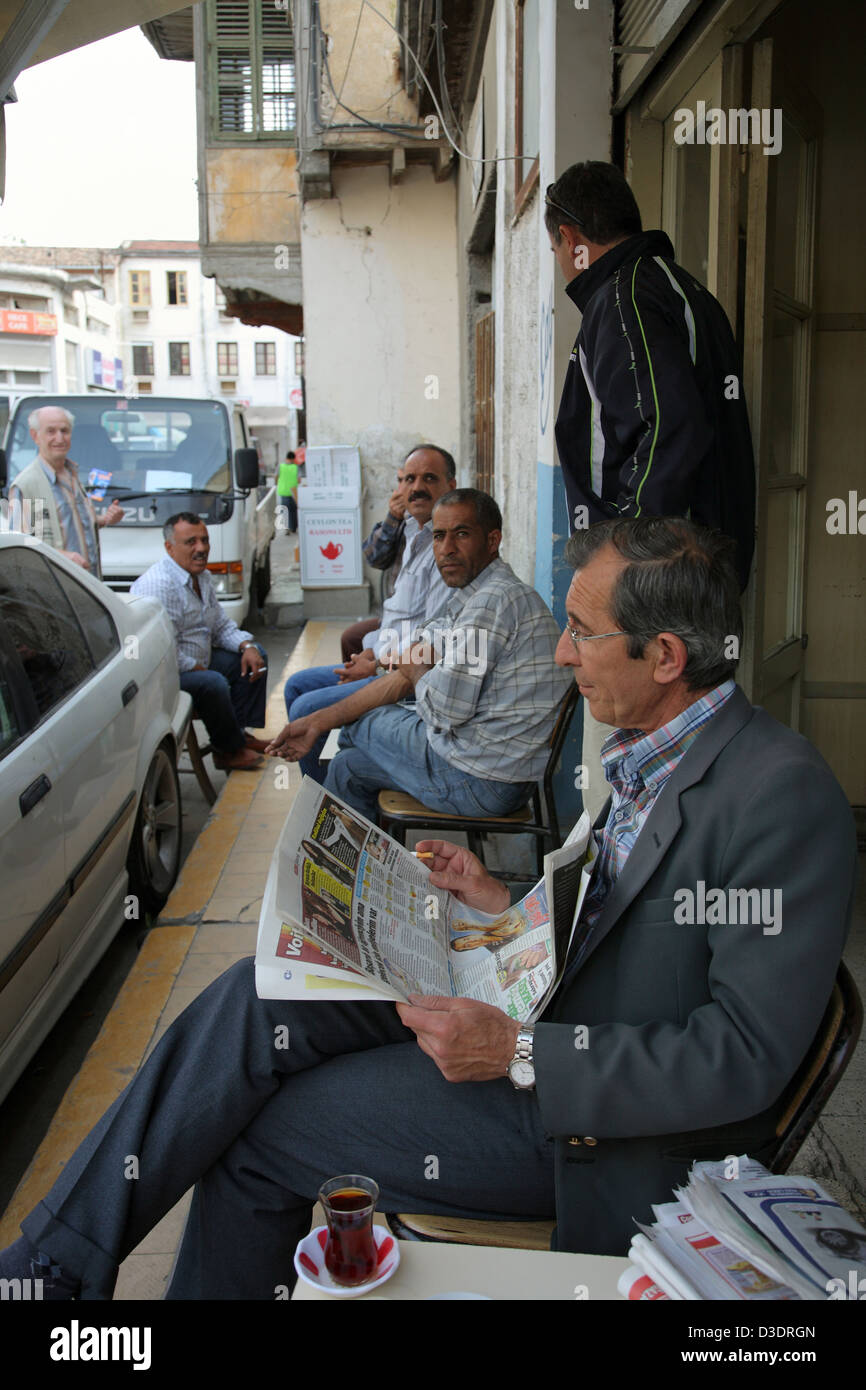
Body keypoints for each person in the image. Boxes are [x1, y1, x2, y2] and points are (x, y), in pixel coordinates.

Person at [0, 517, 855, 1300]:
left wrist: (517, 1051)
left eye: (583, 634)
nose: (562, 654)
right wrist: (500, 904)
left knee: (256, 1137)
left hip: (591, 1123)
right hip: (523, 1004)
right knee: (257, 999)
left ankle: (56, 1268)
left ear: (665, 656)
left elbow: (745, 1057)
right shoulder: (648, 748)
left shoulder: (780, 798)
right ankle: (52, 1266)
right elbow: (618, 926)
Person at [545, 160, 757, 822]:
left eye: (556, 246)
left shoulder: (624, 296)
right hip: (692, 588)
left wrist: (618, 585)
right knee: (679, 776)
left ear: (573, 236)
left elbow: (667, 430)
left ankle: (634, 912)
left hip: (651, 603)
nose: (560, 261)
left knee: (637, 783)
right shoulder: (680, 290)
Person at [271, 489, 572, 823]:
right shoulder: (476, 593)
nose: (447, 549)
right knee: (348, 767)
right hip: (492, 770)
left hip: (480, 780)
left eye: (461, 534)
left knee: (356, 724)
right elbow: (418, 653)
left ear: (492, 540)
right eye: (439, 536)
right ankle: (351, 868)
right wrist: (407, 665)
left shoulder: (492, 601)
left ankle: (321, 827)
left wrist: (413, 670)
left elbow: (442, 710)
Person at [280, 446, 456, 780]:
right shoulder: (412, 531)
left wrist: (374, 662)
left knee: (306, 708)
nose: (417, 487)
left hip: (410, 678)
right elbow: (397, 607)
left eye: (429, 478)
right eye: (408, 479)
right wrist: (371, 654)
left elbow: (427, 637)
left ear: (451, 485)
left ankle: (331, 803)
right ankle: (326, 785)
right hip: (390, 655)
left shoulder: (444, 545)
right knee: (297, 686)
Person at [130, 512, 268, 772]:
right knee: (212, 682)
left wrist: (246, 647)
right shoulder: (160, 585)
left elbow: (220, 627)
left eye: (204, 540)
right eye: (191, 542)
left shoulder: (201, 577)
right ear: (169, 547)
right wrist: (198, 669)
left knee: (256, 656)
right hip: (168, 672)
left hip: (199, 660)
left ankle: (238, 734)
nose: (201, 548)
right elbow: (164, 651)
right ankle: (226, 750)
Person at [7, 405, 123, 575]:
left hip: (87, 584)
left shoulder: (72, 474)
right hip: (56, 590)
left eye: (64, 431)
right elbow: (23, 545)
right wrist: (63, 557)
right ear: (35, 436)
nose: (59, 438)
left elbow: (69, 522)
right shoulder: (30, 484)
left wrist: (104, 519)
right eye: (51, 431)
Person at [341, 467, 409, 662]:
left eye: (409, 480)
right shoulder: (404, 520)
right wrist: (393, 519)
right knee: (351, 638)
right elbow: (374, 557)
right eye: (401, 480)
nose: (403, 488)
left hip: (414, 623)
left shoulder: (435, 526)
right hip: (393, 616)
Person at [277, 450, 299, 535]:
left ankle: (287, 528)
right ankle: (293, 527)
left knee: (285, 510)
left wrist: (277, 482)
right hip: (293, 493)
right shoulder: (295, 467)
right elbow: (299, 479)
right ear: (293, 459)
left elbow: (276, 476)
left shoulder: (280, 466)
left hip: (283, 492)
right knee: (293, 510)